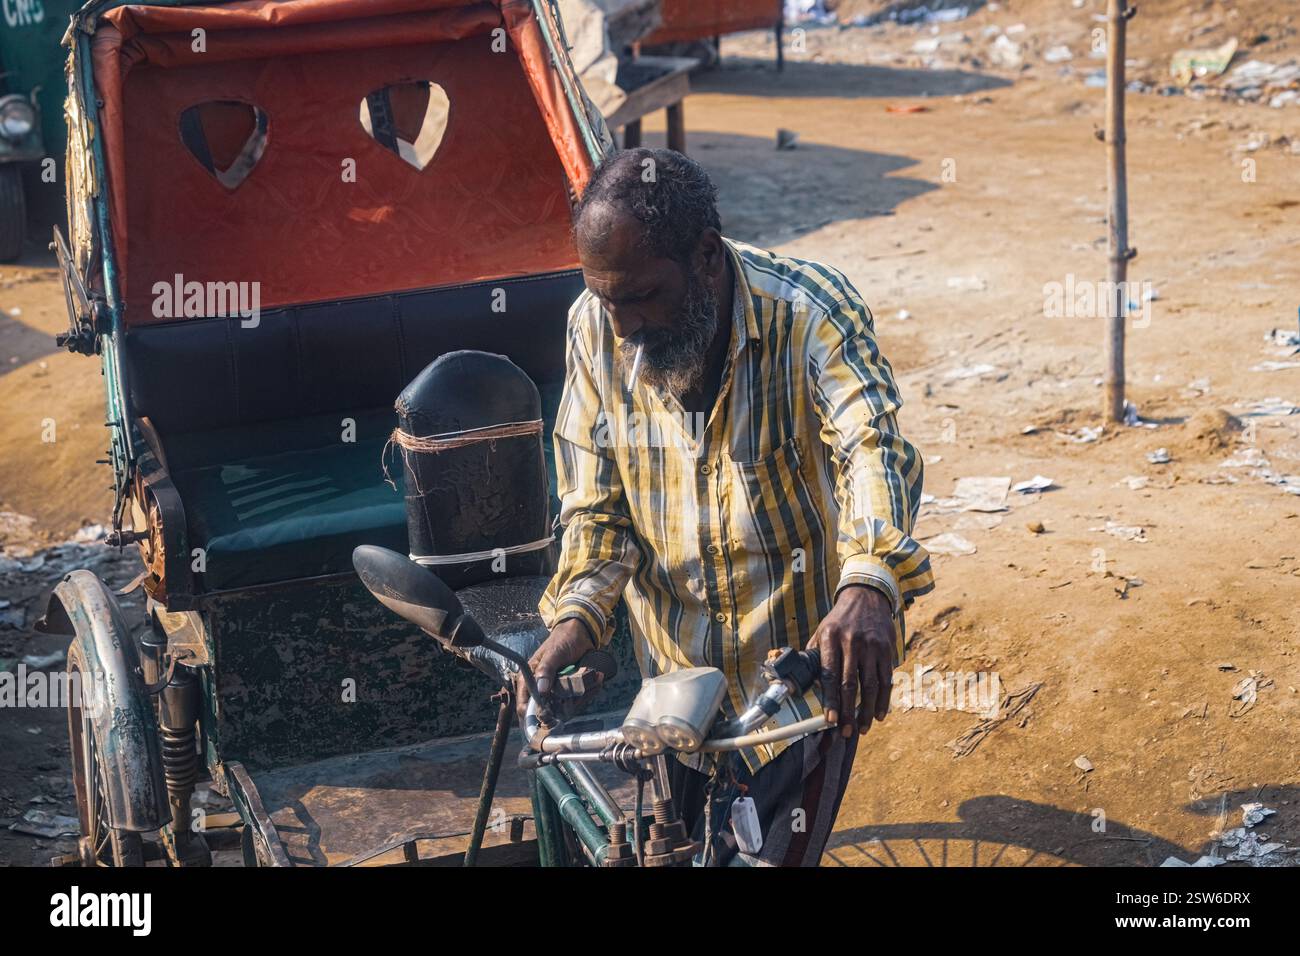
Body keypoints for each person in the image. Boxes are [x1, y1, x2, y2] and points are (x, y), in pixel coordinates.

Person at [515, 147, 933, 865]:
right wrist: (573, 623)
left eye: (642, 296)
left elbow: (875, 451)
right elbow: (596, 509)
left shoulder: (809, 311)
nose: (622, 327)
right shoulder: (594, 324)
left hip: (796, 685)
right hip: (673, 684)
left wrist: (869, 581)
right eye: (608, 299)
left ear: (707, 256)